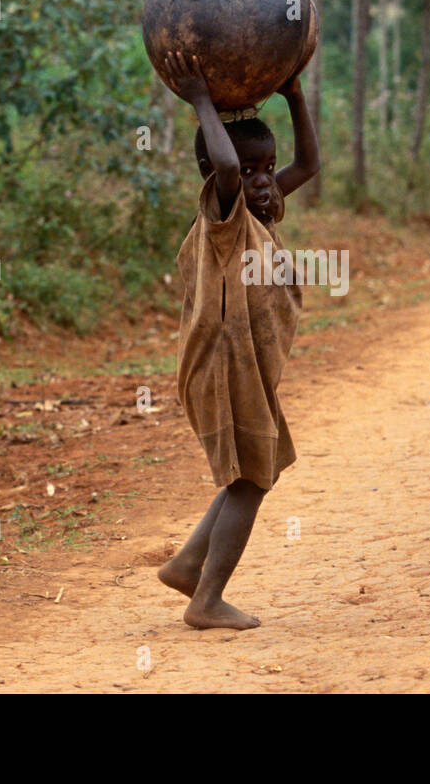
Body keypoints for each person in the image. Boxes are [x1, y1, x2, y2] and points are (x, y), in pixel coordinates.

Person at [155, 51, 320, 630]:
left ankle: (186, 565)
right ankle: (206, 601)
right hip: (225, 367)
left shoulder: (262, 210)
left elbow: (309, 165)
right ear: (218, 177)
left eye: (267, 168)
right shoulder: (222, 215)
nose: (261, 179)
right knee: (251, 480)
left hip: (246, 369)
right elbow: (226, 172)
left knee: (255, 469)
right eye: (250, 170)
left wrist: (295, 96)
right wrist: (201, 99)